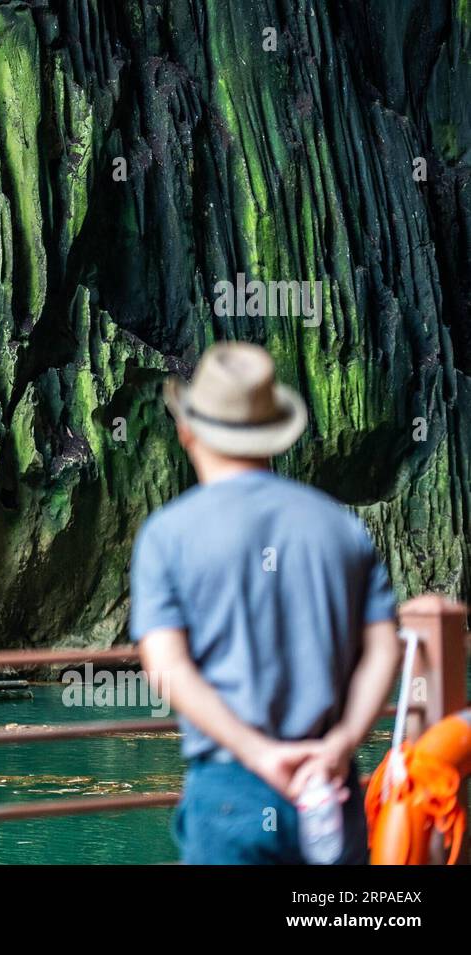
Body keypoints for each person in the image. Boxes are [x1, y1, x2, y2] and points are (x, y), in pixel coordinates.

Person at [130, 341, 400, 864]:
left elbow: (167, 669)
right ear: (274, 435)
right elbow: (384, 649)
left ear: (188, 430)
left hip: (232, 791)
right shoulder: (341, 527)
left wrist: (262, 755)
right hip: (331, 792)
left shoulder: (168, 535)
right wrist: (340, 745)